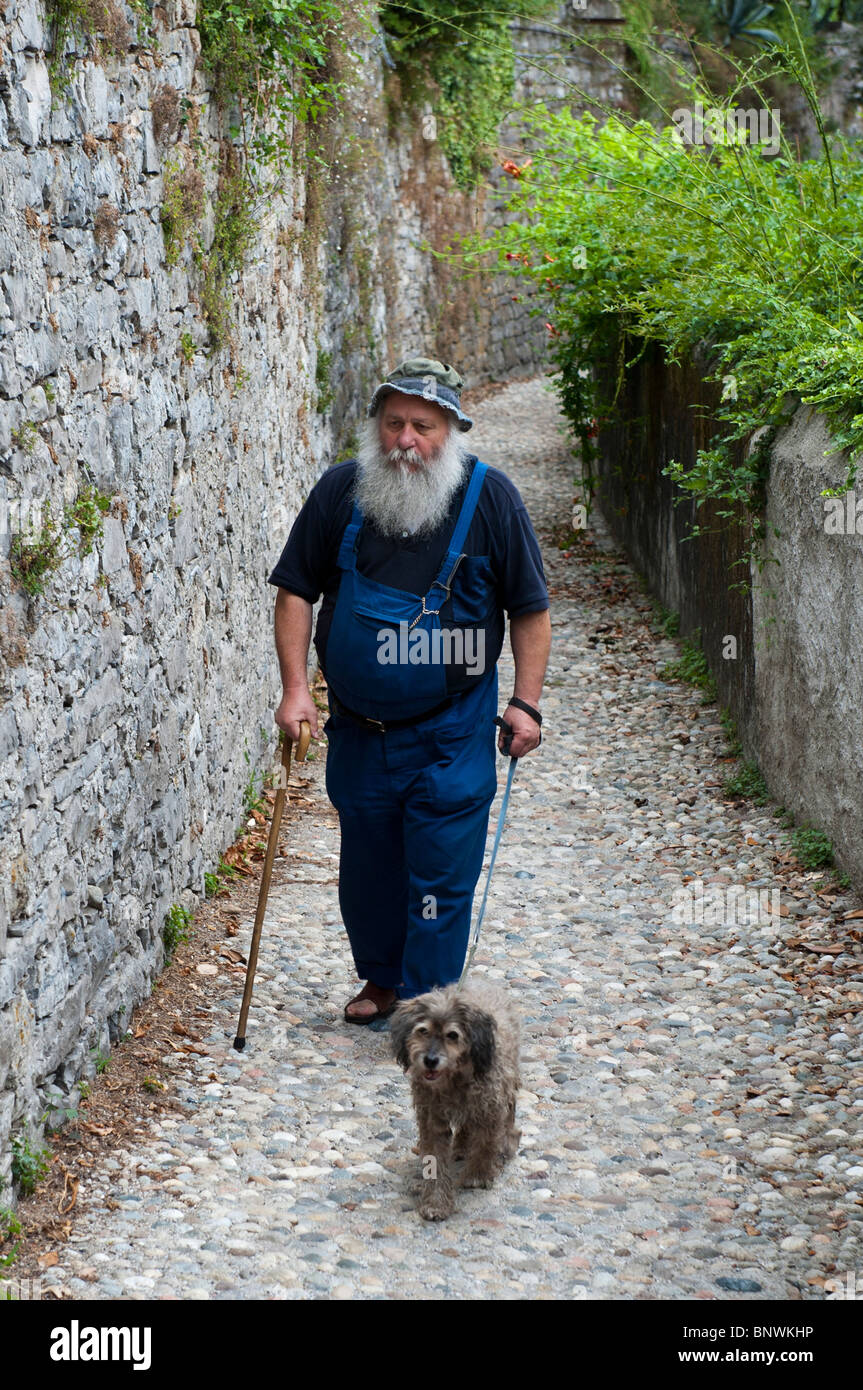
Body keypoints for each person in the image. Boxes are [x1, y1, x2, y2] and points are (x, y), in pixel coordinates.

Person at [268, 356, 551, 1022]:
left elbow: (529, 609)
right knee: (368, 870)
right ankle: (382, 978)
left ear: (451, 428)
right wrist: (294, 690)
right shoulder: (340, 492)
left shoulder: (491, 499)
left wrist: (525, 702)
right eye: (393, 423)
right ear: (375, 425)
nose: (405, 440)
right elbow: (295, 592)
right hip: (359, 729)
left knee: (440, 871)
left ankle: (429, 1000)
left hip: (449, 729)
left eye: (422, 426)